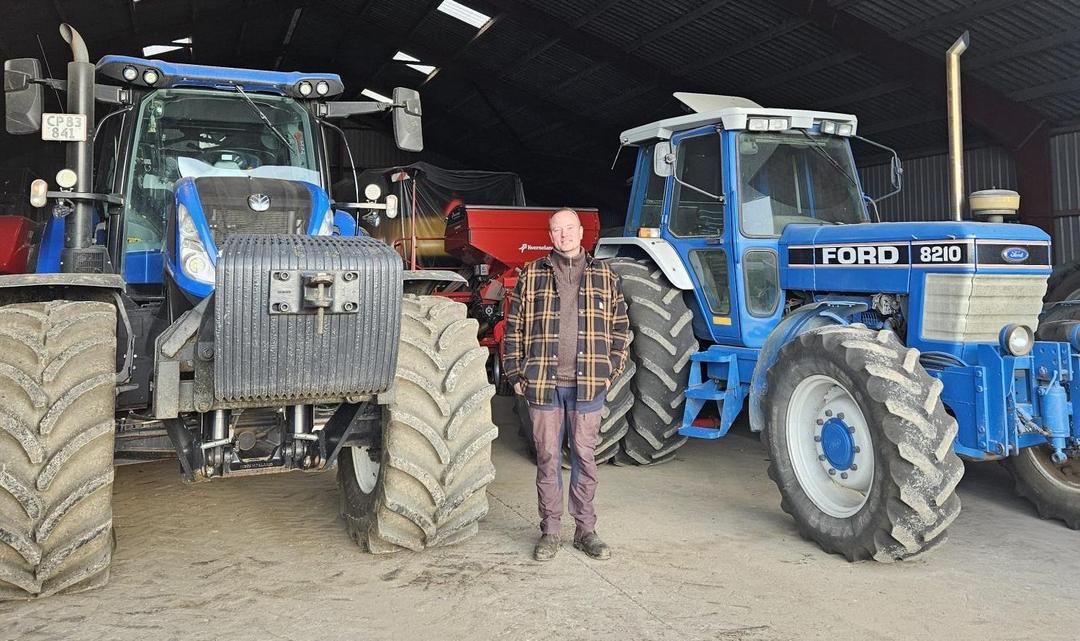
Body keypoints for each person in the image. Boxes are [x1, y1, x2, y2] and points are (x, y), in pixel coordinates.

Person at [503, 208, 630, 561]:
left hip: (589, 383)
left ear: (581, 232)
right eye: (557, 230)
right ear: (550, 235)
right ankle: (550, 531)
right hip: (543, 383)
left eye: (570, 228)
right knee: (547, 458)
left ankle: (585, 531)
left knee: (585, 457)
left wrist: (611, 371)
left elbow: (621, 328)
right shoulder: (532, 275)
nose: (564, 235)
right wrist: (515, 374)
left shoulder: (605, 275)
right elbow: (514, 328)